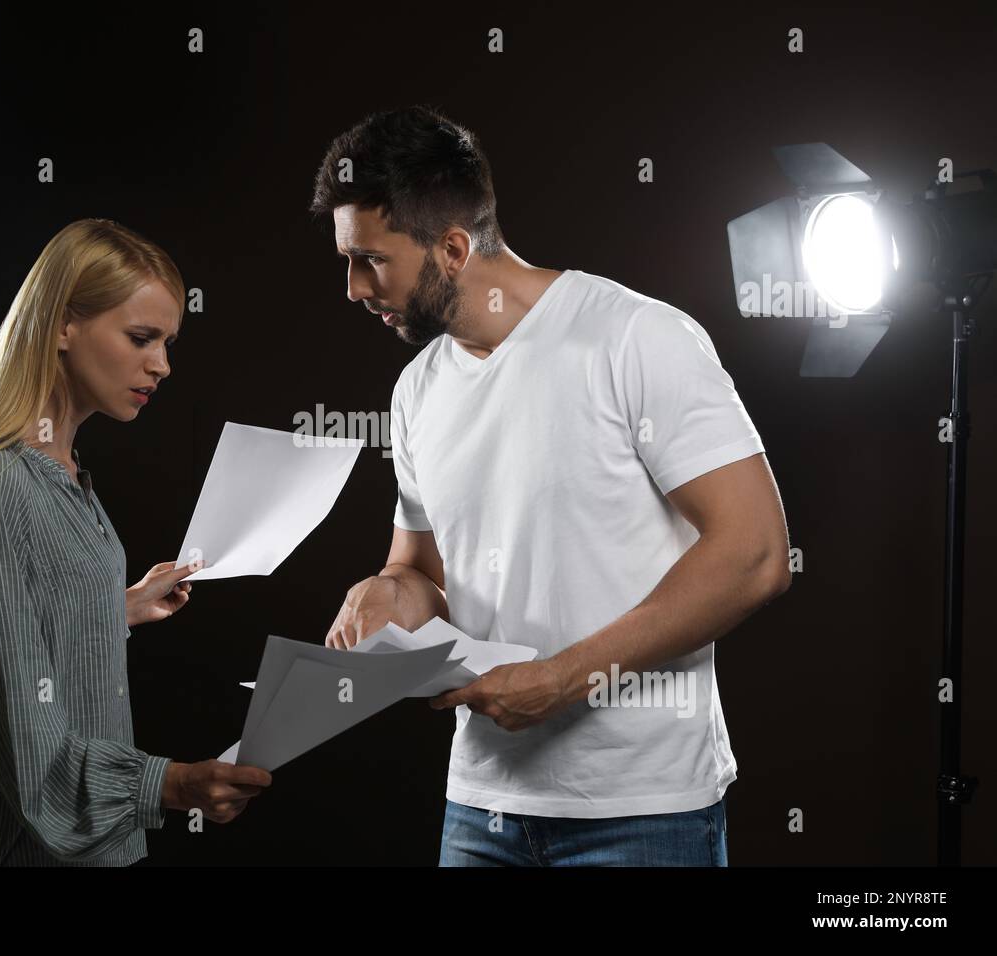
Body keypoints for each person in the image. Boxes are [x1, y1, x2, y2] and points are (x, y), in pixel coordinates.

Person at [309, 106, 791, 866]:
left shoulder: (635, 338)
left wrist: (563, 680)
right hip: (481, 808)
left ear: (454, 249)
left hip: (642, 810)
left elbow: (756, 554)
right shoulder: (417, 391)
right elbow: (424, 574)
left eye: (369, 260)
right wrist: (386, 592)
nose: (351, 287)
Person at [0, 218, 271, 866]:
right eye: (141, 337)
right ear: (62, 324)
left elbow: (16, 634)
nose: (163, 364)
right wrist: (176, 785)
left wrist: (118, 606)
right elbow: (31, 753)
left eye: (168, 342)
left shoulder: (64, 470)